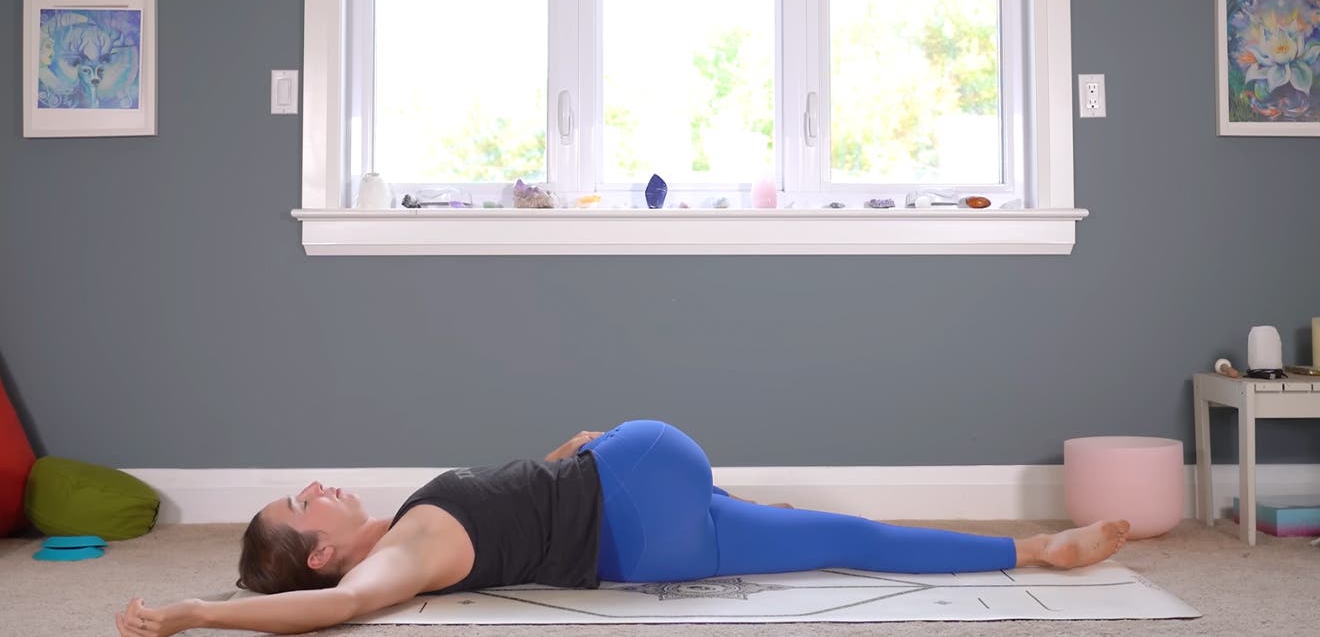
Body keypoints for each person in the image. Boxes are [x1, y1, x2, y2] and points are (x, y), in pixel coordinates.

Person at [115, 420, 1130, 636]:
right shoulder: (396, 555)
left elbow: (519, 504)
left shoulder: (412, 521)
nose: (312, 481)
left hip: (640, 514)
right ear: (322, 546)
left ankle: (1039, 548)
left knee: (833, 529)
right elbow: (341, 608)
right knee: (832, 530)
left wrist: (563, 456)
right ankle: (1038, 548)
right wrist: (196, 612)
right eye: (300, 505)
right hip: (645, 512)